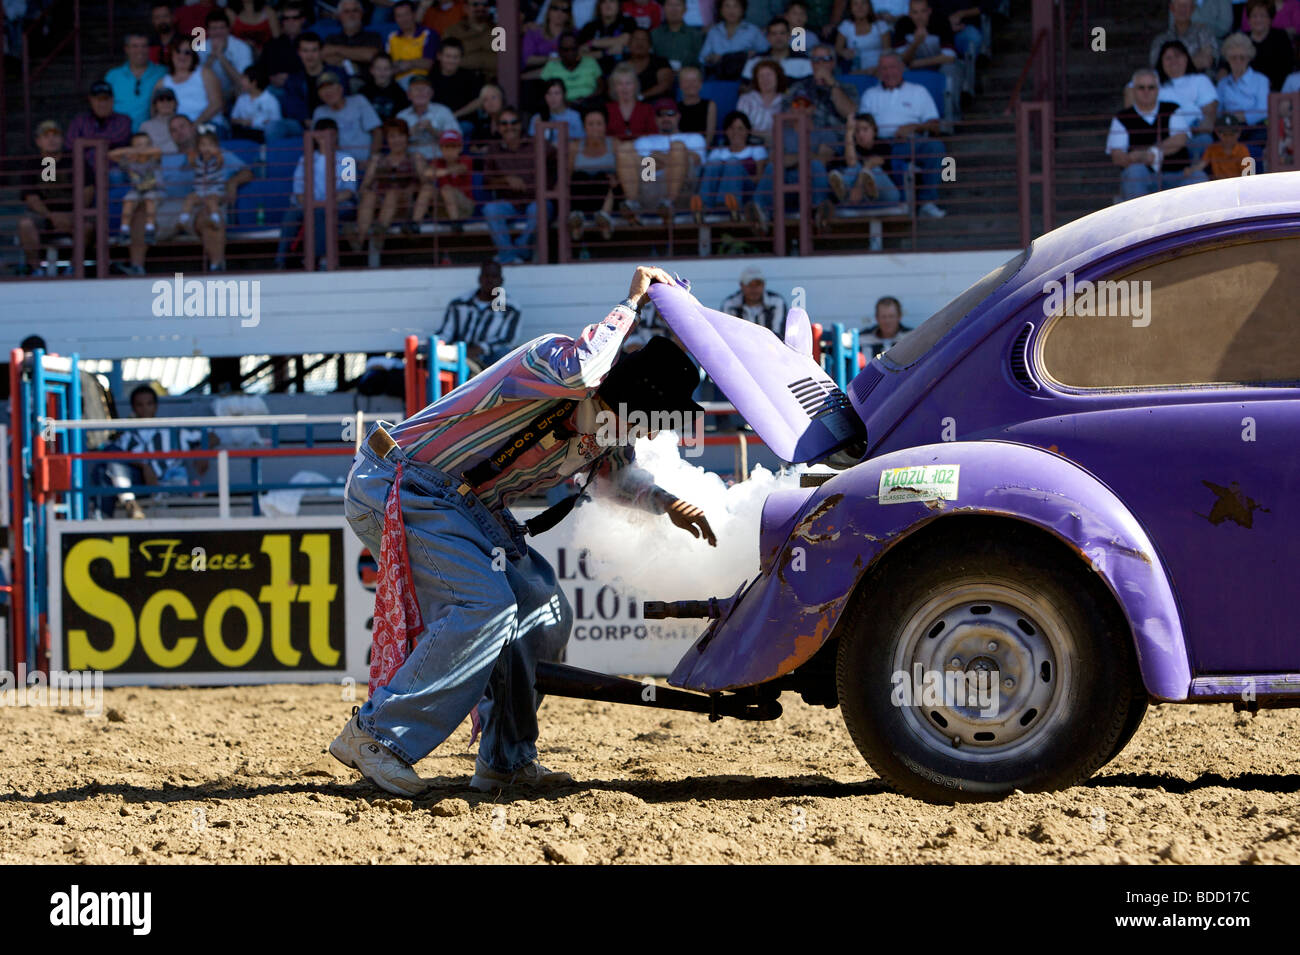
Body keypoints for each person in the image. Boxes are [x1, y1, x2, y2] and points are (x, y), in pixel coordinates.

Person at [329, 266, 717, 796]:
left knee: (545, 613)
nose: (653, 429)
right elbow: (584, 368)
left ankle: (505, 760)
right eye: (652, 416)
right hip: (403, 483)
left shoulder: (602, 432)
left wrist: (668, 502)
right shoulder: (552, 360)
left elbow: (615, 481)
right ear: (630, 400)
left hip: (465, 508)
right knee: (484, 606)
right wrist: (630, 305)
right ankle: (377, 735)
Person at [857, 51, 947, 217]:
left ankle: (927, 202)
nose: (888, 72)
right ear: (878, 72)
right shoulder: (870, 94)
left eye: (892, 67)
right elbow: (861, 124)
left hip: (908, 142)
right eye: (883, 68)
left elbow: (935, 126)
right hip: (877, 144)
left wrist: (914, 127)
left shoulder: (918, 91)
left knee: (935, 146)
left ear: (902, 68)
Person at [101, 385, 210, 520]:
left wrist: (201, 450)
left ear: (156, 406)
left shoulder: (171, 430)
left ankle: (108, 513)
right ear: (133, 408)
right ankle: (129, 504)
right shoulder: (127, 435)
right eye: (140, 405)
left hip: (172, 486)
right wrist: (144, 466)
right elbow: (112, 454)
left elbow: (211, 436)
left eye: (149, 403)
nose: (145, 408)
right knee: (108, 463)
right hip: (141, 485)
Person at [1108, 67, 1206, 199]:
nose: (1146, 92)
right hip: (1145, 179)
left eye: (1151, 87)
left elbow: (1180, 138)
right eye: (1141, 87)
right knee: (1134, 171)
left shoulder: (1172, 109)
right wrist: (1134, 158)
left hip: (1177, 176)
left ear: (1158, 90)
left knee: (1199, 177)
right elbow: (1117, 156)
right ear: (1133, 91)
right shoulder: (1122, 118)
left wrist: (1152, 153)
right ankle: (1140, 218)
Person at [274, 118, 359, 270]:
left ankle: (320, 259)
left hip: (339, 204)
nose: (326, 138)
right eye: (322, 134)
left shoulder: (347, 159)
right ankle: (282, 261)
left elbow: (348, 190)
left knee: (321, 212)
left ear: (337, 136)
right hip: (309, 204)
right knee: (291, 215)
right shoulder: (306, 159)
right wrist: (311, 204)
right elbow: (299, 191)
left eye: (331, 134)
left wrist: (326, 202)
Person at [482, 107, 556, 262]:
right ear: (498, 127)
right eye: (504, 123)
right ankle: (510, 256)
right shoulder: (493, 148)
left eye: (513, 122)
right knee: (490, 209)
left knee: (540, 207)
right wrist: (506, 179)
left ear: (520, 124)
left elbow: (560, 156)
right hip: (509, 202)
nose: (509, 127)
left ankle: (519, 252)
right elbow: (487, 182)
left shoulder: (537, 143)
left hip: (536, 199)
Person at [16, 121, 86, 276]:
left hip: (72, 215)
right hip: (42, 216)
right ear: (38, 141)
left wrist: (74, 214)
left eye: (55, 135)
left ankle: (73, 269)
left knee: (88, 224)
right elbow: (30, 197)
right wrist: (51, 216)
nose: (51, 139)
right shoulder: (31, 164)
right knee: (25, 224)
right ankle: (36, 270)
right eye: (46, 136)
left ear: (62, 139)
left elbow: (88, 190)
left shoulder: (75, 160)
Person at [619, 98, 708, 220]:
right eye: (660, 114)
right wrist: (674, 161)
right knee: (625, 148)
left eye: (670, 114)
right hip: (649, 182)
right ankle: (632, 204)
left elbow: (692, 162)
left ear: (678, 116)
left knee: (678, 147)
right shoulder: (645, 141)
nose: (665, 118)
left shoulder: (693, 138)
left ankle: (668, 203)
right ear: (655, 119)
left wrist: (656, 156)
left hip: (682, 188)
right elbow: (643, 168)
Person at [357, 119, 429, 247]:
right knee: (369, 196)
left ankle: (379, 235)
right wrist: (368, 193)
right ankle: (360, 243)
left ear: (407, 137)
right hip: (378, 205)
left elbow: (426, 183)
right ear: (387, 139)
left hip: (404, 206)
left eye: (401, 135)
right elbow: (365, 186)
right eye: (392, 136)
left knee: (392, 194)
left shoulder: (415, 157)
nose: (397, 140)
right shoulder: (377, 159)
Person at [438, 261, 522, 366]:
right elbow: (445, 334)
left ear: (501, 280)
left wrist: (478, 350)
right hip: (457, 355)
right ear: (480, 278)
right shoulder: (459, 303)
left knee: (504, 353)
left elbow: (507, 341)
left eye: (494, 276)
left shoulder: (510, 308)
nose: (490, 280)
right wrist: (438, 344)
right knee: (429, 353)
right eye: (486, 276)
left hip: (488, 359)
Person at [692, 109, 768, 222]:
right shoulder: (717, 152)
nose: (735, 132)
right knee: (714, 163)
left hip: (746, 193)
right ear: (726, 131)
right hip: (717, 194)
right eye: (731, 128)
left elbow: (759, 179)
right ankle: (703, 206)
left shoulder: (756, 150)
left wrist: (733, 178)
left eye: (740, 128)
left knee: (733, 162)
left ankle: (730, 205)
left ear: (748, 131)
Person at [1216, 31, 1271, 163]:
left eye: (1242, 57)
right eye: (1233, 57)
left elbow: (1263, 109)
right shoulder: (1223, 84)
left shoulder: (1261, 80)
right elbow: (1218, 111)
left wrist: (1241, 116)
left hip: (1254, 128)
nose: (1238, 61)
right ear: (1227, 59)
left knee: (1249, 152)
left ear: (1248, 58)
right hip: (1229, 128)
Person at [568, 107, 620, 240]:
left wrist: (616, 180)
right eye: (590, 124)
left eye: (599, 124)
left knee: (602, 176)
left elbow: (623, 173)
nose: (594, 128)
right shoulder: (575, 147)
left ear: (605, 126)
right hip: (582, 195)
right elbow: (566, 175)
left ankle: (604, 219)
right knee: (579, 176)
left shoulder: (614, 144)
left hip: (607, 195)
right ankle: (577, 220)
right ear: (584, 126)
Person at [104, 32, 169, 131]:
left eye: (144, 46)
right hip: (118, 133)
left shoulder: (162, 72)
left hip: (152, 134)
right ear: (126, 49)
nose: (140, 50)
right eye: (135, 46)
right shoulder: (113, 76)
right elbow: (104, 106)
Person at [155, 36, 225, 128]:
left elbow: (217, 104)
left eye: (187, 53)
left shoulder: (205, 74)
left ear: (193, 55)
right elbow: (154, 111)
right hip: (176, 131)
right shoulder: (162, 83)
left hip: (207, 124)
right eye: (178, 51)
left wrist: (194, 126)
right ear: (172, 54)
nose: (182, 56)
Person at [312, 72, 384, 160]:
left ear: (340, 88)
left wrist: (371, 159)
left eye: (330, 86)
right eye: (323, 88)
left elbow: (377, 132)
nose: (327, 91)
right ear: (319, 94)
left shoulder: (358, 101)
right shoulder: (319, 112)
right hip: (337, 166)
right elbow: (316, 143)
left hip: (364, 163)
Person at [109, 132, 165, 245]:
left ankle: (150, 229)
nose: (143, 148)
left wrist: (139, 150)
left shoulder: (153, 159)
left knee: (150, 199)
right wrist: (130, 151)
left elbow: (158, 150)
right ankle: (124, 230)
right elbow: (111, 154)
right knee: (128, 200)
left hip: (155, 190)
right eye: (139, 145)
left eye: (146, 144)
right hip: (137, 191)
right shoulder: (130, 160)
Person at [66, 81, 134, 171]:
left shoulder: (124, 120)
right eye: (98, 99)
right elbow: (70, 144)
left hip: (115, 169)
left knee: (116, 174)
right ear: (90, 100)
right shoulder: (80, 121)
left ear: (112, 100)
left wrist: (85, 141)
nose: (102, 104)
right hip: (86, 171)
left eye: (106, 99)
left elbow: (119, 138)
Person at [282, 32, 348, 123]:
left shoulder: (337, 73)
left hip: (335, 120)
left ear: (321, 51)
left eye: (314, 50)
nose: (310, 56)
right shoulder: (293, 80)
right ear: (299, 53)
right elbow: (292, 107)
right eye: (305, 51)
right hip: (304, 124)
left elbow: (344, 100)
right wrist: (307, 121)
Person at [197, 8, 256, 107]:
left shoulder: (242, 47)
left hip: (235, 95)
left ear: (229, 29)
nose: (218, 32)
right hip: (209, 95)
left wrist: (221, 56)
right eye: (214, 28)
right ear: (208, 31)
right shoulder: (200, 47)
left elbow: (244, 83)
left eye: (222, 28)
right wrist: (212, 57)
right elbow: (196, 81)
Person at [398, 73, 460, 158]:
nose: (420, 92)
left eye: (424, 89)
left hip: (439, 159)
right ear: (409, 95)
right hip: (410, 163)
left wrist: (433, 130)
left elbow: (457, 138)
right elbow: (394, 144)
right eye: (416, 89)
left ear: (431, 93)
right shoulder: (401, 116)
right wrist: (409, 133)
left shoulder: (443, 111)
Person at [702, 0, 770, 78]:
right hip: (719, 77)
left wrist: (754, 55)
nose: (731, 11)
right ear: (721, 10)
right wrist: (711, 58)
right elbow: (703, 57)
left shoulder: (753, 30)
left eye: (735, 6)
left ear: (742, 10)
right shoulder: (714, 31)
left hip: (747, 78)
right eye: (727, 6)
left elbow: (766, 51)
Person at [1149, 0, 1219, 72]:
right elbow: (1157, 67)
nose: (1182, 8)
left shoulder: (1204, 32)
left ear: (1192, 9)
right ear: (1172, 8)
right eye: (1179, 5)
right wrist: (1194, 60)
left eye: (1186, 5)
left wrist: (1173, 64)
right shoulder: (1161, 40)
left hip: (1199, 81)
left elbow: (1207, 61)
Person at [540, 30, 606, 105]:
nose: (570, 53)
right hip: (561, 107)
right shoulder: (551, 66)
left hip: (590, 105)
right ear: (559, 50)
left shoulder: (590, 62)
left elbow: (601, 87)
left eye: (573, 49)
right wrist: (564, 102)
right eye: (566, 50)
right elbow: (542, 90)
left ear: (578, 48)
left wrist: (588, 99)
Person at [1243, 0, 1295, 90]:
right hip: (1246, 89)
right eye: (1254, 16)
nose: (1258, 20)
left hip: (1276, 89)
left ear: (1270, 19)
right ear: (1248, 19)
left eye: (1263, 16)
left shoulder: (1281, 37)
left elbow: (1287, 67)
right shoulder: (1242, 39)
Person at [231, 65, 293, 141]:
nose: (241, 82)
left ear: (254, 82)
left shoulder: (270, 100)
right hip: (243, 133)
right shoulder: (242, 99)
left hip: (262, 135)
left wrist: (254, 123)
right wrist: (242, 121)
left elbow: (276, 123)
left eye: (244, 79)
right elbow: (233, 119)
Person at [322, 0, 383, 75]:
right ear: (339, 16)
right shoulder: (331, 38)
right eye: (346, 11)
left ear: (361, 14)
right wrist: (357, 56)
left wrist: (336, 50)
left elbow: (372, 56)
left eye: (355, 11)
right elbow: (325, 57)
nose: (351, 15)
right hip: (337, 82)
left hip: (366, 81)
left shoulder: (373, 36)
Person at [721, 265, 788, 333]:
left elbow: (778, 334)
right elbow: (728, 334)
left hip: (769, 343)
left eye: (758, 284)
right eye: (750, 284)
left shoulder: (776, 302)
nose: (754, 289)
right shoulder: (730, 305)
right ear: (741, 285)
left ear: (763, 285)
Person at [445, 0, 501, 79]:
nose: (481, 8)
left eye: (485, 5)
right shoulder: (453, 31)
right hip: (460, 81)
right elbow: (446, 60)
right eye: (475, 4)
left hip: (494, 82)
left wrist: (467, 45)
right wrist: (482, 42)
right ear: (466, 8)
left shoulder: (499, 30)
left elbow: (506, 60)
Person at [737, 58, 788, 144]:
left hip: (780, 145)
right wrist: (765, 136)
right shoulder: (746, 100)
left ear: (778, 77)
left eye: (769, 75)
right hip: (751, 144)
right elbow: (740, 127)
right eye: (761, 76)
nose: (765, 79)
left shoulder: (786, 100)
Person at [387, 0, 438, 87]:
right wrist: (414, 63)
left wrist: (407, 64)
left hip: (423, 81)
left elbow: (428, 63)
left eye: (407, 14)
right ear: (395, 19)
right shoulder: (392, 37)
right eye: (399, 16)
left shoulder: (428, 34)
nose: (404, 19)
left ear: (414, 15)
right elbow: (388, 66)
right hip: (397, 84)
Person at [431, 38, 484, 119]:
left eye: (456, 57)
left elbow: (479, 100)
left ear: (461, 58)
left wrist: (454, 116)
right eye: (448, 56)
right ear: (439, 56)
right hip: (436, 121)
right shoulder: (431, 76)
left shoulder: (470, 76)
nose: (451, 61)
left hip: (463, 121)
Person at [1186, 113, 1251, 179]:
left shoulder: (1243, 150)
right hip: (1219, 186)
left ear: (1239, 133)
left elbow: (1247, 176)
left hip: (1238, 186)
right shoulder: (1212, 149)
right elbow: (1201, 165)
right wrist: (1190, 170)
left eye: (1232, 134)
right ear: (1217, 133)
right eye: (1224, 135)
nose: (1228, 138)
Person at [605, 62, 657, 141]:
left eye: (628, 83)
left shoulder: (647, 109)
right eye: (620, 84)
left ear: (635, 85)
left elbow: (653, 137)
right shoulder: (606, 109)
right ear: (614, 87)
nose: (624, 88)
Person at [836, 0, 890, 74]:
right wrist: (844, 53)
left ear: (869, 6)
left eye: (863, 3)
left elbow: (888, 52)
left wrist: (877, 69)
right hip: (855, 70)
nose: (860, 7)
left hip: (879, 70)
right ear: (850, 8)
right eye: (855, 4)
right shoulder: (846, 25)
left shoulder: (881, 25)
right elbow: (838, 49)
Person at [625, 28, 676, 100]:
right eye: (636, 39)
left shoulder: (660, 62)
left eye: (644, 39)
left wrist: (641, 96)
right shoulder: (621, 63)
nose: (639, 43)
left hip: (654, 104)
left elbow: (665, 84)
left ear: (650, 45)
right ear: (629, 44)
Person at [361, 53, 413, 122]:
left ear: (392, 70)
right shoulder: (363, 93)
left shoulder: (400, 94)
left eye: (386, 69)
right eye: (378, 68)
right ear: (371, 70)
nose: (382, 72)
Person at [652, 0, 705, 68]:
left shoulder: (695, 35)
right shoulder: (654, 34)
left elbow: (700, 62)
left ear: (685, 9)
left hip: (687, 76)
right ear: (663, 8)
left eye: (678, 5)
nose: (674, 9)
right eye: (670, 5)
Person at [676, 65, 717, 143]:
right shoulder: (675, 107)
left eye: (694, 80)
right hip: (680, 149)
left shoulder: (710, 105)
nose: (691, 84)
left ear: (701, 84)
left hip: (702, 148)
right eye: (686, 81)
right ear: (680, 85)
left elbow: (710, 136)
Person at [140, 87, 181, 152]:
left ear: (176, 103)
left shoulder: (184, 124)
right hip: (154, 160)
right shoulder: (146, 126)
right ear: (155, 105)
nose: (165, 103)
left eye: (169, 99)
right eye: (161, 100)